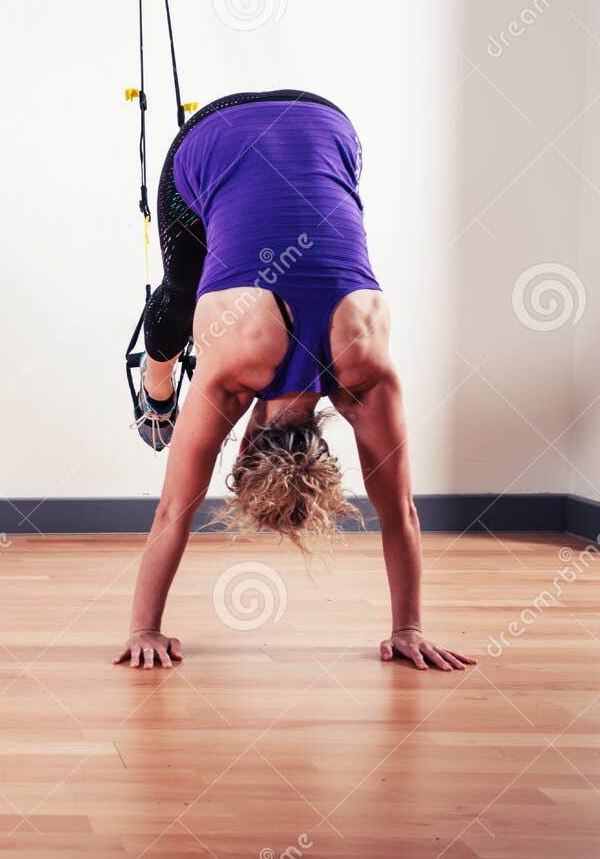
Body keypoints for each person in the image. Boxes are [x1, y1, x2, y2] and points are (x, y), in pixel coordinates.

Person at [116, 91, 476, 673]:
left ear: (325, 445)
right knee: (180, 296)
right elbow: (172, 511)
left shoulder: (367, 372)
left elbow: (401, 513)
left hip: (329, 124)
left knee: (209, 278)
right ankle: (157, 393)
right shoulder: (231, 377)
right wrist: (144, 629)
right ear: (250, 436)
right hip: (208, 136)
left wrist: (409, 627)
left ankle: (158, 387)